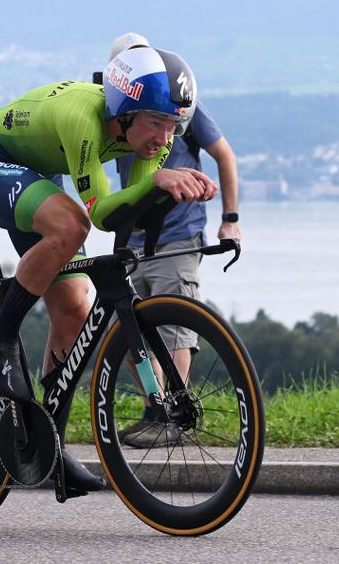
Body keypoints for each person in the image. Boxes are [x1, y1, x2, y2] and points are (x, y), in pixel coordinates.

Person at [0, 46, 217, 494]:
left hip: (38, 174)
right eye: (156, 122)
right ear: (125, 111)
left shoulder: (157, 138)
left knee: (75, 306)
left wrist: (164, 192)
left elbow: (127, 208)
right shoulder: (84, 118)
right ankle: (0, 335)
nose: (164, 136)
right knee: (71, 225)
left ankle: (44, 445)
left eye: (174, 124)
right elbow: (98, 214)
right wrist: (156, 182)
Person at [104, 33, 241, 449]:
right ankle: (156, 412)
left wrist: (230, 220)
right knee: (128, 331)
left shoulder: (179, 104)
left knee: (176, 327)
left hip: (179, 232)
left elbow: (225, 155)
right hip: (135, 237)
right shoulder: (114, 112)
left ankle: (175, 418)